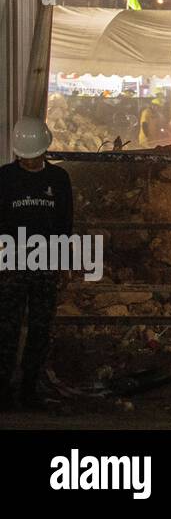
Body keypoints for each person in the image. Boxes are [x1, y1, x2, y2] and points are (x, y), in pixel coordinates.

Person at [0, 116, 74, 410]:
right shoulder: (4, 178)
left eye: (35, 157)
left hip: (45, 262)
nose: (30, 163)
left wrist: (63, 261)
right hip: (11, 263)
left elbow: (65, 222)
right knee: (7, 328)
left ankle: (30, 388)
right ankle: (4, 390)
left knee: (40, 328)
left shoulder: (59, 180)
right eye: (25, 158)